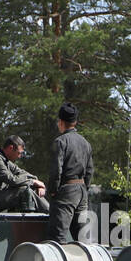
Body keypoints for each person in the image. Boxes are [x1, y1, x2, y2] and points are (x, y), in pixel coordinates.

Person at [47, 102, 92, 243]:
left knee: (57, 238)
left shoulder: (60, 141)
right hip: (82, 191)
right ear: (75, 122)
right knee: (83, 238)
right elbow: (90, 170)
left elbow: (56, 170)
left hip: (67, 191)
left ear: (60, 122)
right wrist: (85, 188)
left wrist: (53, 190)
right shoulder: (85, 143)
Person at [0, 135, 49, 212]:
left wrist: (38, 184)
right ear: (10, 148)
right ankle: (50, 213)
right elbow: (12, 180)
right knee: (24, 190)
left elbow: (21, 172)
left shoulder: (4, 160)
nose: (19, 156)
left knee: (29, 188)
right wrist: (33, 182)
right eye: (19, 153)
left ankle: (48, 214)